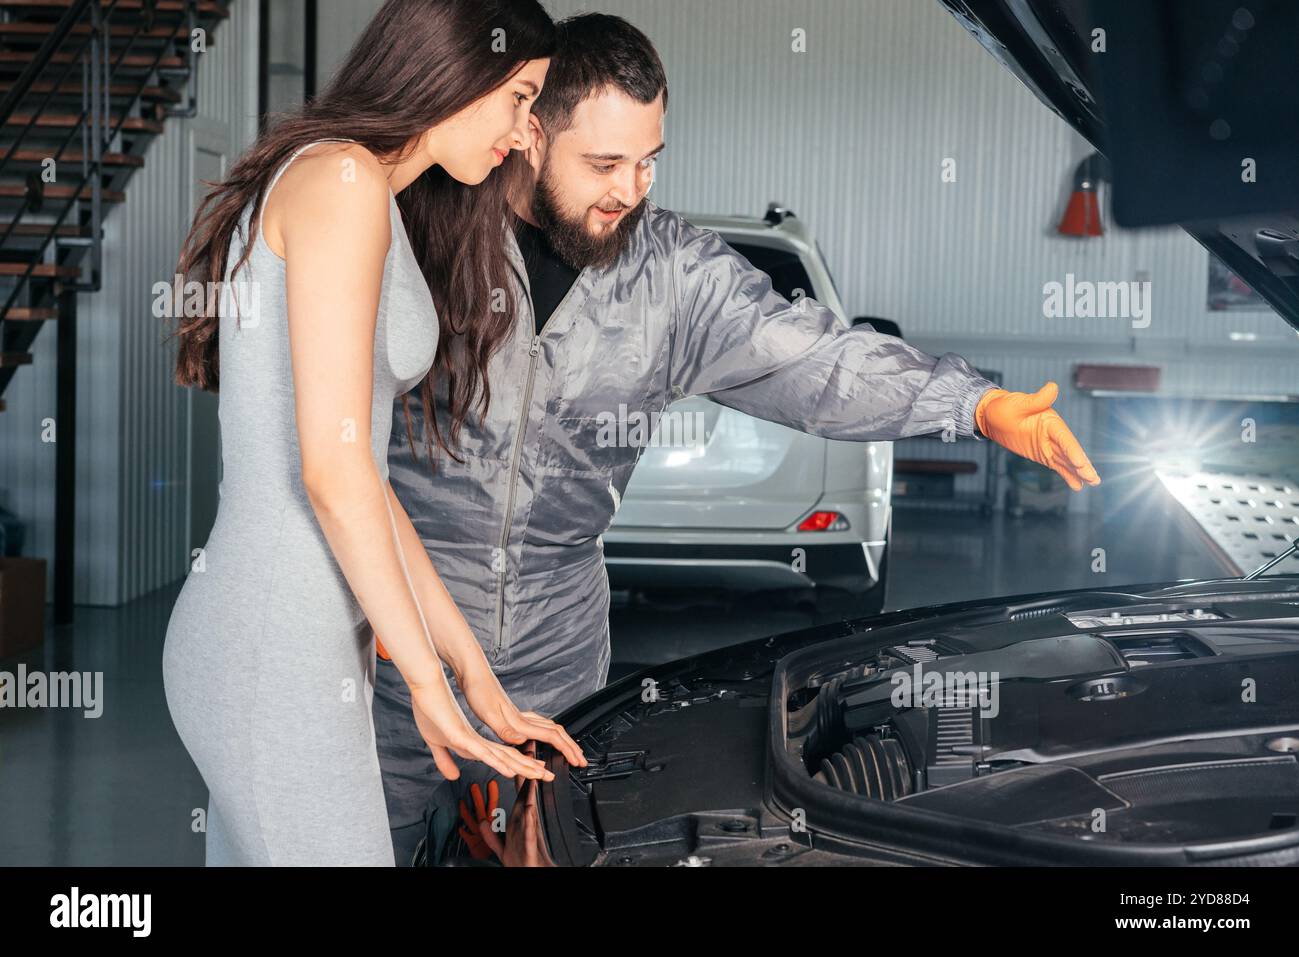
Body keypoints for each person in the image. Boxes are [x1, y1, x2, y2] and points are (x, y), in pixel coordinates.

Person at [373, 13, 1100, 866]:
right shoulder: (423, 228)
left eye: (648, 160)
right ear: (530, 131)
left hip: (553, 653)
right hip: (393, 640)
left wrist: (975, 404)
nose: (630, 189)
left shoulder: (673, 275)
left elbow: (819, 361)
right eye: (603, 164)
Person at [160, 0, 583, 867]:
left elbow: (366, 483)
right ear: (458, 64)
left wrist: (470, 675)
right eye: (519, 96)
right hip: (271, 643)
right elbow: (332, 474)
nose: (523, 128)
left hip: (300, 647)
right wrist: (428, 687)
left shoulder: (365, 191)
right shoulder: (343, 181)